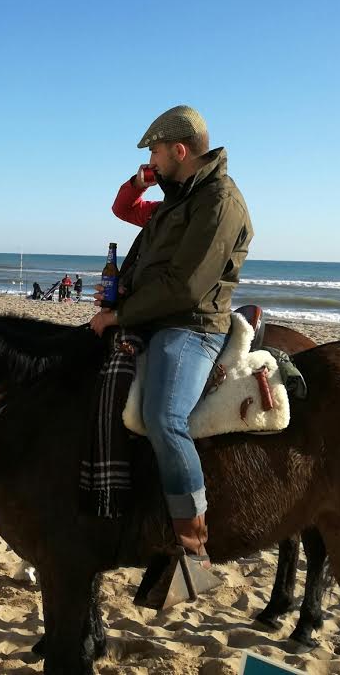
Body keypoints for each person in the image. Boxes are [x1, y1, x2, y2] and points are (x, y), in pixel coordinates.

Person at [88, 105, 252, 573]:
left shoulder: (218, 203)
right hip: (152, 317)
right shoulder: (179, 198)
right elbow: (124, 209)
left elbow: (185, 287)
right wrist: (140, 181)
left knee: (164, 416)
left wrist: (119, 313)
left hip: (190, 325)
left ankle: (193, 541)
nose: (152, 161)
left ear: (180, 150)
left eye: (157, 153)